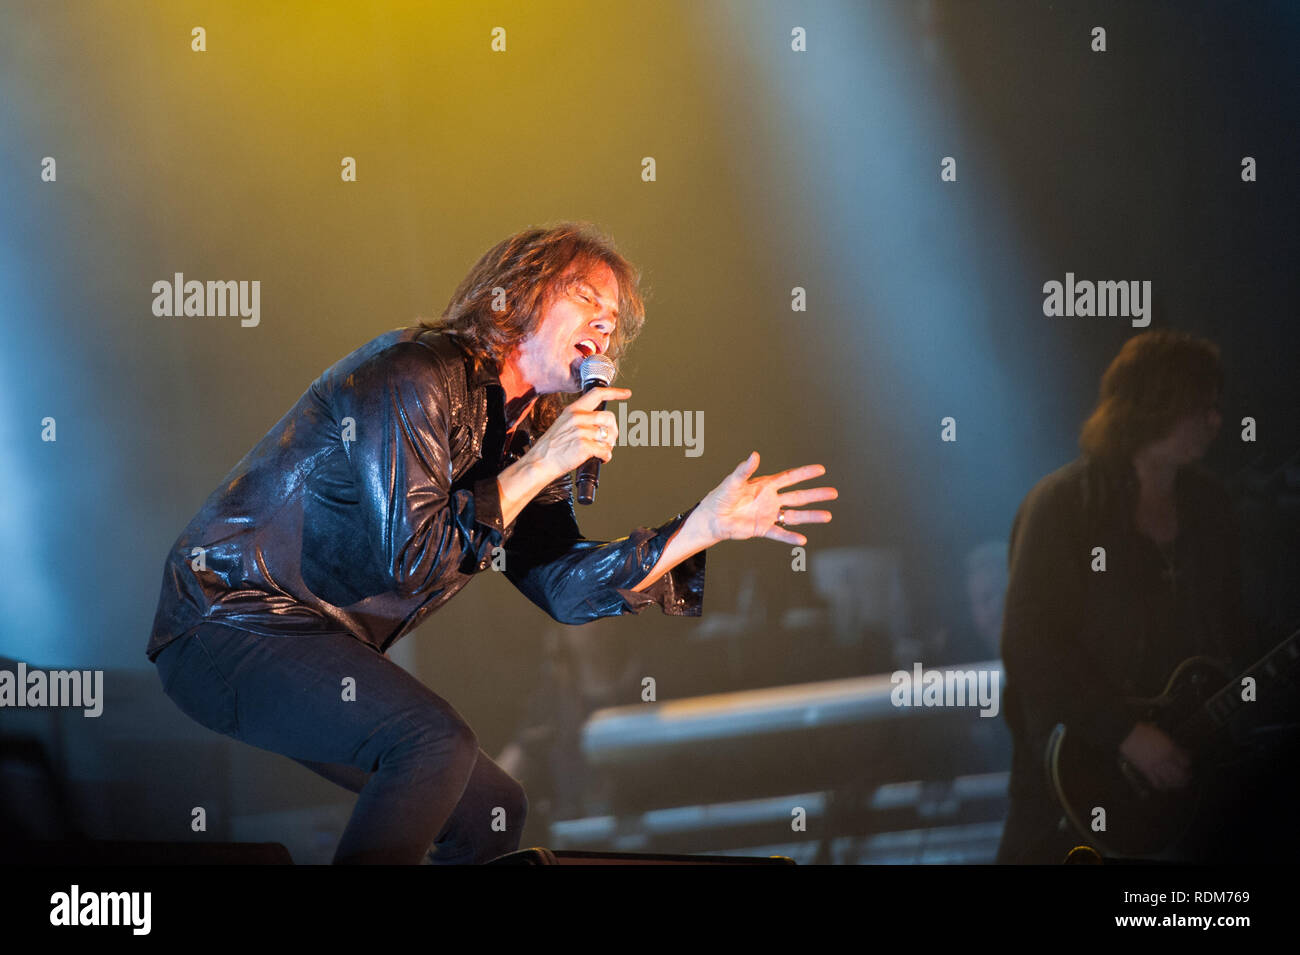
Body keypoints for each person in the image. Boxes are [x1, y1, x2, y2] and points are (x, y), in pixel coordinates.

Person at [146, 222, 838, 864]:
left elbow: (563, 588)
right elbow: (411, 559)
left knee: (493, 811)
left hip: (312, 635)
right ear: (520, 300)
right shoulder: (412, 375)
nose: (605, 321)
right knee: (431, 742)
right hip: (224, 618)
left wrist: (701, 528)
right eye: (586, 298)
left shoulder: (522, 432)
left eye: (614, 319)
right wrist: (537, 468)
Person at [996, 330, 1264, 864]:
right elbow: (1031, 646)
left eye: (1217, 407)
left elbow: (1236, 633)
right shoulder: (1063, 506)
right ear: (1155, 406)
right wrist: (1125, 733)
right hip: (1075, 789)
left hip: (1190, 794)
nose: (1215, 421)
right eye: (1201, 407)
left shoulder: (1210, 505)